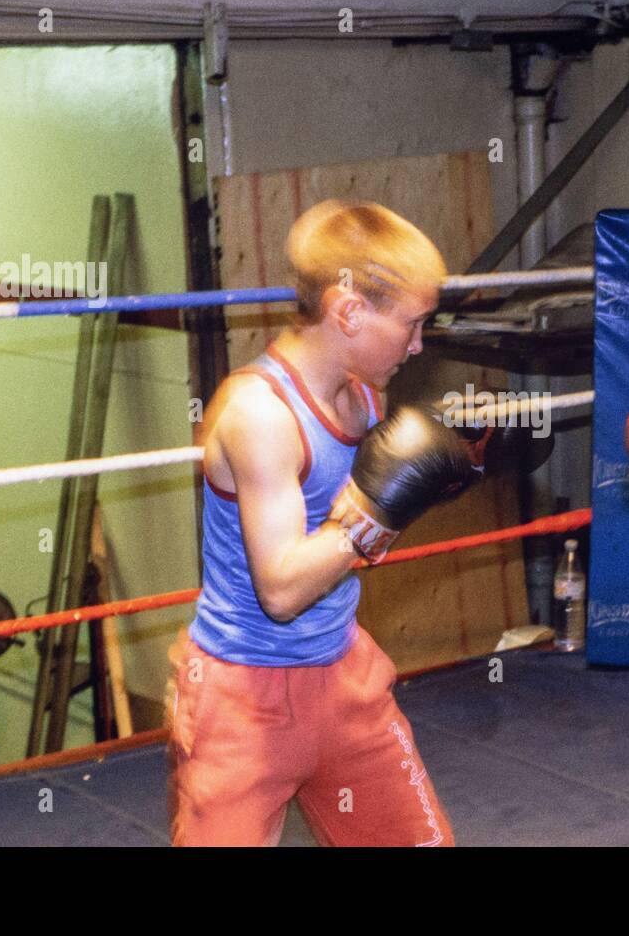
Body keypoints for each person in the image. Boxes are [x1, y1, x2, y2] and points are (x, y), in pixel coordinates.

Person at [167, 199, 471, 846]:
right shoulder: (260, 414)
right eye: (412, 325)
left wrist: (443, 477)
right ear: (350, 312)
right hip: (242, 698)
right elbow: (280, 590)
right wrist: (375, 513)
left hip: (343, 676)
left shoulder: (365, 394)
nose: (419, 345)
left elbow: (352, 526)